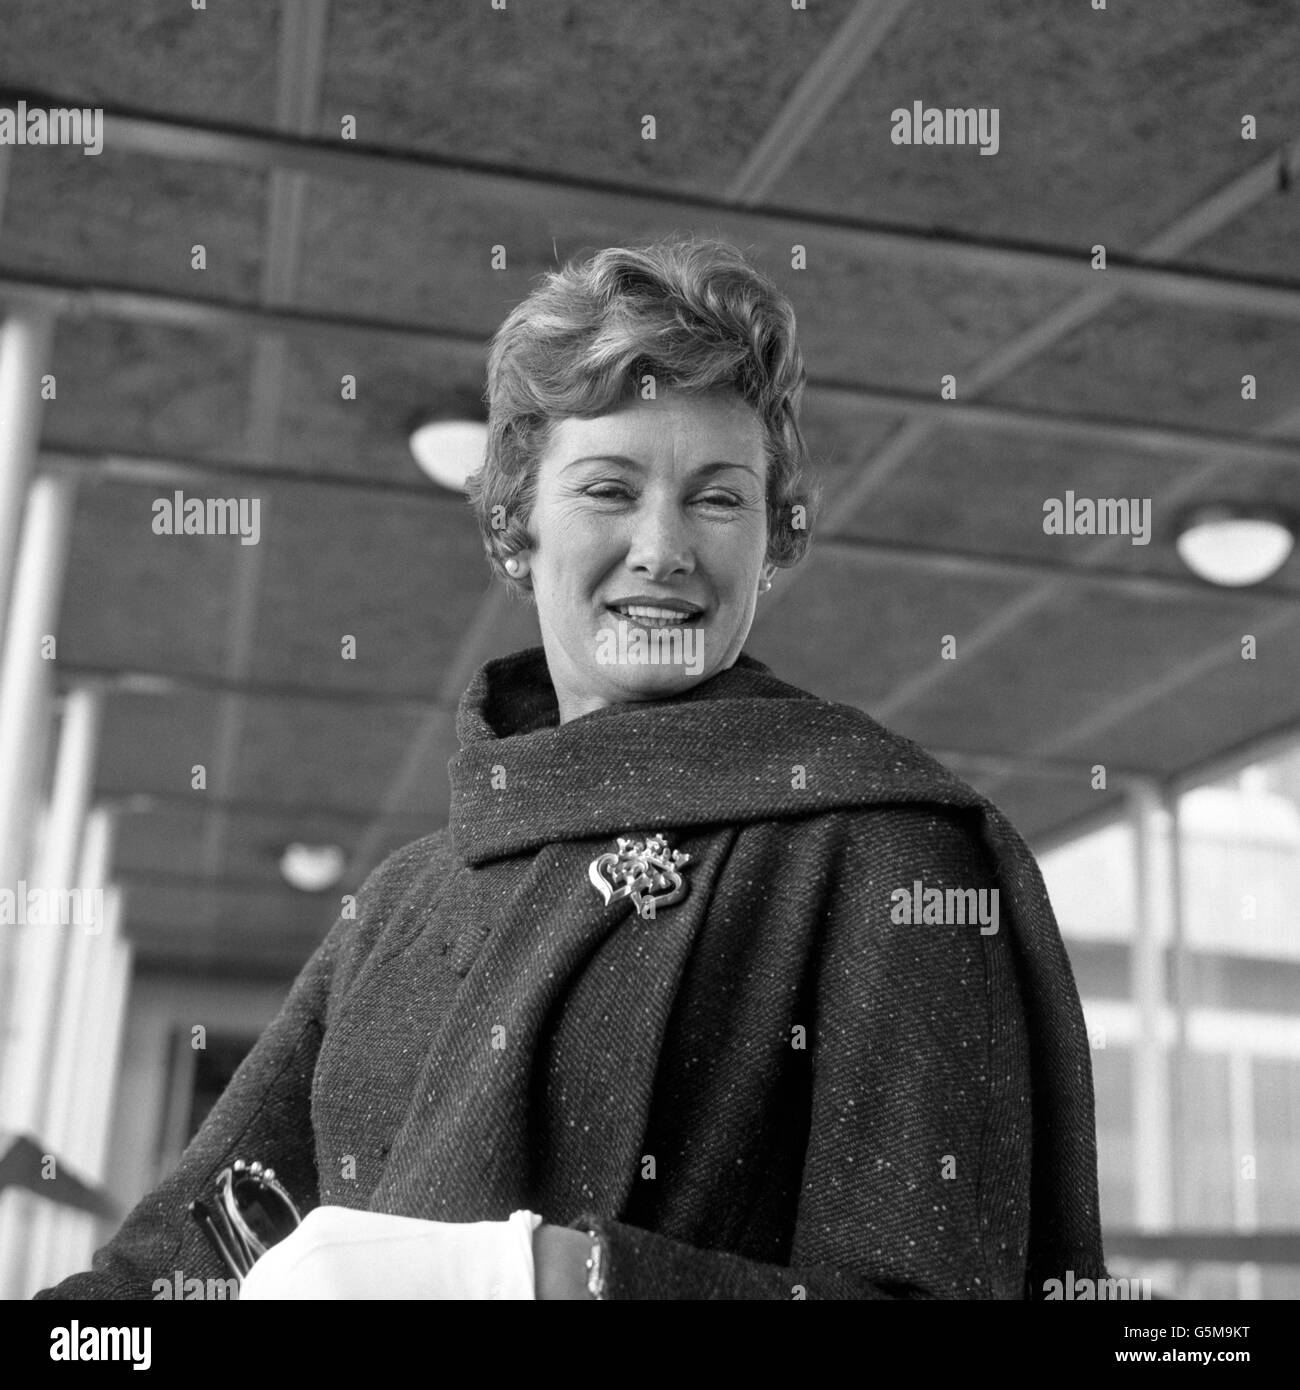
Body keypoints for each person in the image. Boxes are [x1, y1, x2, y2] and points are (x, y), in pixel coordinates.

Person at [38, 236, 1105, 1300]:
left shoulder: (885, 851)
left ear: (772, 544)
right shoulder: (412, 893)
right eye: (608, 488)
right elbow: (160, 1266)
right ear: (514, 528)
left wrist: (548, 1277)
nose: (662, 547)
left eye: (718, 498)